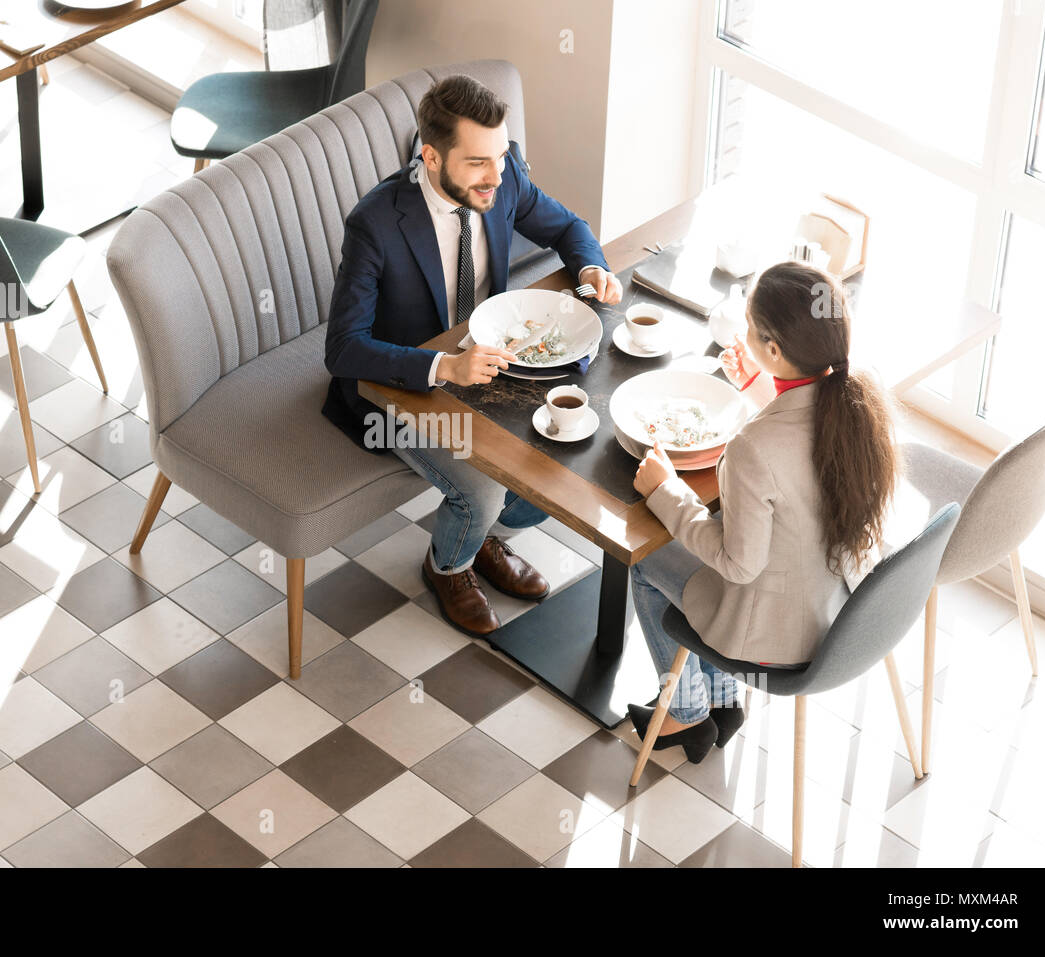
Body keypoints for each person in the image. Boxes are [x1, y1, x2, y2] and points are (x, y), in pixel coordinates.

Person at [321, 74, 621, 636]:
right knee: (483, 487)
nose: (497, 175)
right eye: (479, 162)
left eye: (502, 157)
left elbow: (570, 228)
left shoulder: (502, 183)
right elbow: (342, 349)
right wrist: (444, 367)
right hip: (400, 390)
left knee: (579, 442)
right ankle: (448, 565)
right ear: (431, 158)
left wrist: (590, 268)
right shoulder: (377, 223)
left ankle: (483, 540)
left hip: (491, 367)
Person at [626, 262, 898, 763]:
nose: (741, 335)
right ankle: (725, 700)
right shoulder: (861, 401)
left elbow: (738, 565)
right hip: (836, 613)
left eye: (748, 328)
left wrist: (667, 491)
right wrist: (762, 392)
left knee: (644, 560)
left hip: (776, 639)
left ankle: (687, 714)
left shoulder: (755, 448)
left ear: (774, 351)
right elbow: (803, 462)